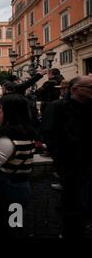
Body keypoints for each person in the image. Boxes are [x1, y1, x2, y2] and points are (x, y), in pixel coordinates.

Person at [41, 75, 92, 238]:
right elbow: (49, 135)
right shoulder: (57, 107)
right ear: (76, 89)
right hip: (70, 164)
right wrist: (61, 160)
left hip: (86, 162)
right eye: (90, 88)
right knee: (73, 203)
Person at [0, 93, 36, 237]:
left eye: (0, 107)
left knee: (1, 226)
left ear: (10, 111)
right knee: (15, 224)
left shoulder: (7, 134)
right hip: (23, 184)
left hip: (7, 186)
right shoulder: (28, 130)